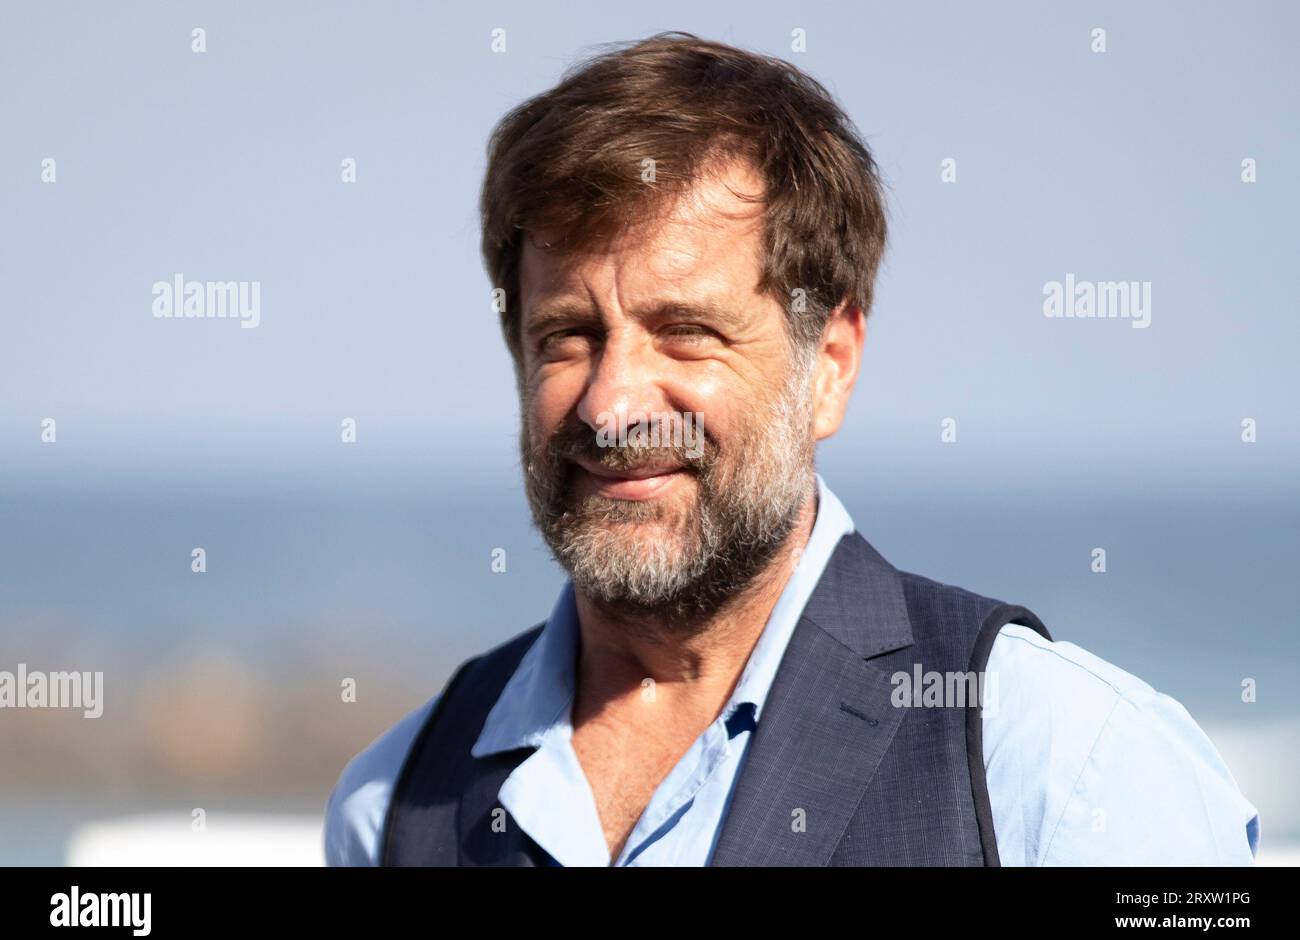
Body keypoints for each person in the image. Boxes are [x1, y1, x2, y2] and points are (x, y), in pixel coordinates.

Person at [325, 32, 1259, 866]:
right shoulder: (396, 805)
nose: (610, 403)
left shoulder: (1066, 763)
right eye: (566, 335)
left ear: (832, 367)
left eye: (686, 330)